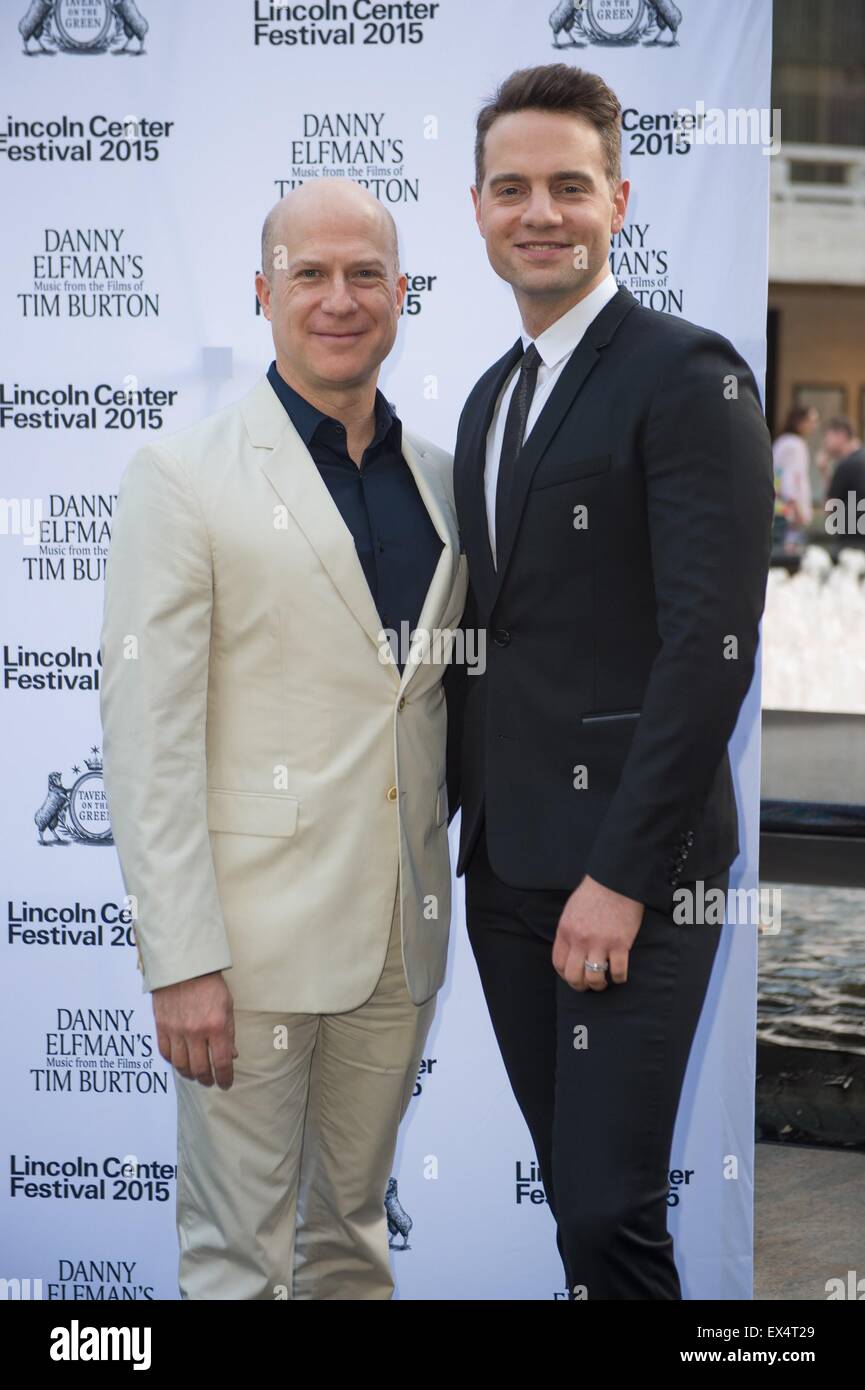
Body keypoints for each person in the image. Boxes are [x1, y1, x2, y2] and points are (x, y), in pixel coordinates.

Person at [99, 179, 467, 1300]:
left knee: (350, 1235)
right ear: (263, 293)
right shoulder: (184, 476)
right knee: (233, 1257)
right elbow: (146, 735)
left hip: (397, 943)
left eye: (365, 273)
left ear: (402, 293)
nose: (339, 298)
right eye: (309, 273)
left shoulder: (446, 483)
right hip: (244, 954)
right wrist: (182, 960)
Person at [445, 64, 774, 1299]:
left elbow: (710, 648)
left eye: (568, 187)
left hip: (634, 879)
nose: (541, 212)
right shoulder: (487, 402)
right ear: (476, 208)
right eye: (513, 187)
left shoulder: (689, 375)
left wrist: (621, 880)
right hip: (509, 880)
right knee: (575, 1209)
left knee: (604, 1218)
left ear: (619, 199)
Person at [772, 404, 818, 552]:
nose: (814, 426)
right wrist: (799, 511)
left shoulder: (783, 441)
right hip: (790, 513)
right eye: (811, 421)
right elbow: (790, 481)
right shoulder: (795, 445)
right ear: (800, 422)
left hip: (779, 510)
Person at [821, 416, 865, 550]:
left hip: (852, 544)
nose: (825, 442)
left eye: (828, 437)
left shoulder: (847, 465)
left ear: (841, 435)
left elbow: (829, 507)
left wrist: (823, 471)